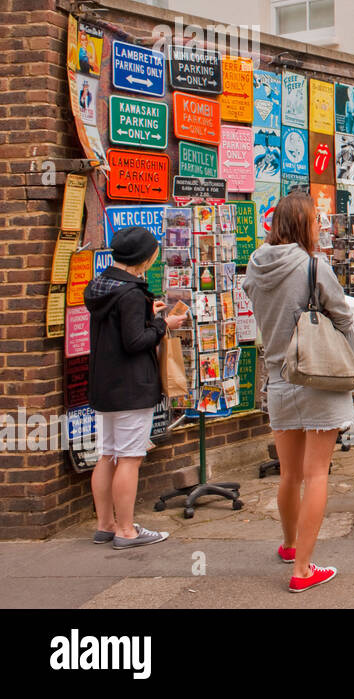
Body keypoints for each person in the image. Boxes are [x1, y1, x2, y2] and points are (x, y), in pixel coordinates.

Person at [243, 191, 354, 593]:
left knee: (289, 473)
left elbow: (259, 304)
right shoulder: (313, 265)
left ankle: (290, 546)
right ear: (303, 225)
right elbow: (341, 314)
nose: (320, 227)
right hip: (317, 375)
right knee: (316, 473)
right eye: (315, 221)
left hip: (278, 377)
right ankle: (303, 570)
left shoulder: (256, 267)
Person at [85, 226, 188, 549]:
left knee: (107, 455)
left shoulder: (102, 286)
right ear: (144, 258)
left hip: (105, 385)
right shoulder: (130, 293)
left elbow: (119, 330)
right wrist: (162, 324)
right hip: (131, 385)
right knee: (130, 458)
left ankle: (105, 524)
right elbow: (134, 342)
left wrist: (148, 314)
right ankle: (126, 531)